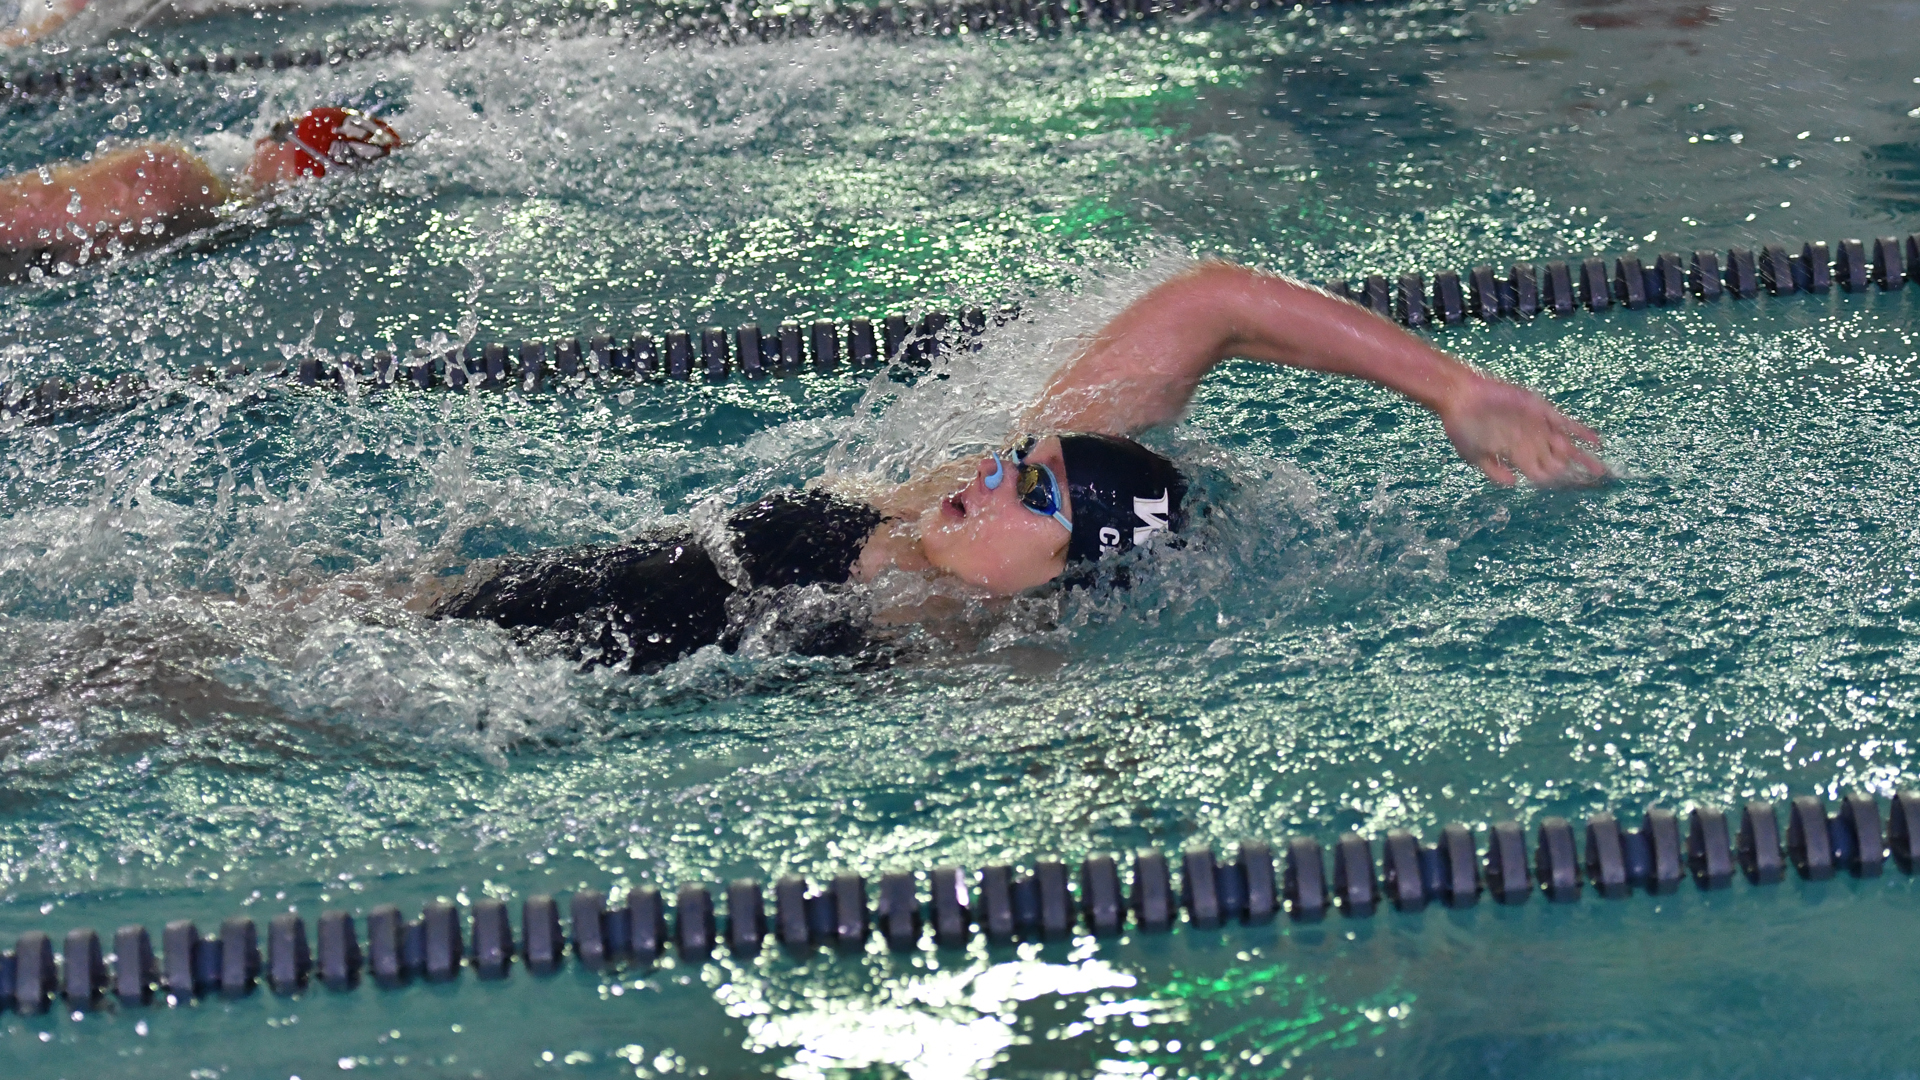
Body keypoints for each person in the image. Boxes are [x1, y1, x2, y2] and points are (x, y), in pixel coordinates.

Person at [421, 262, 1606, 671]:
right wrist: (1458, 389)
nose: (990, 477)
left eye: (1029, 495)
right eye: (1018, 463)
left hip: (569, 693)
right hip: (522, 596)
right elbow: (1214, 301)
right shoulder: (941, 495)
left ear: (1061, 574)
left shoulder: (993, 658)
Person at [0, 106, 401, 283]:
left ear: (294, 165)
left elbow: (15, 210)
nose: (261, 136)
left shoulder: (171, 176)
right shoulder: (228, 232)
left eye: (281, 129)